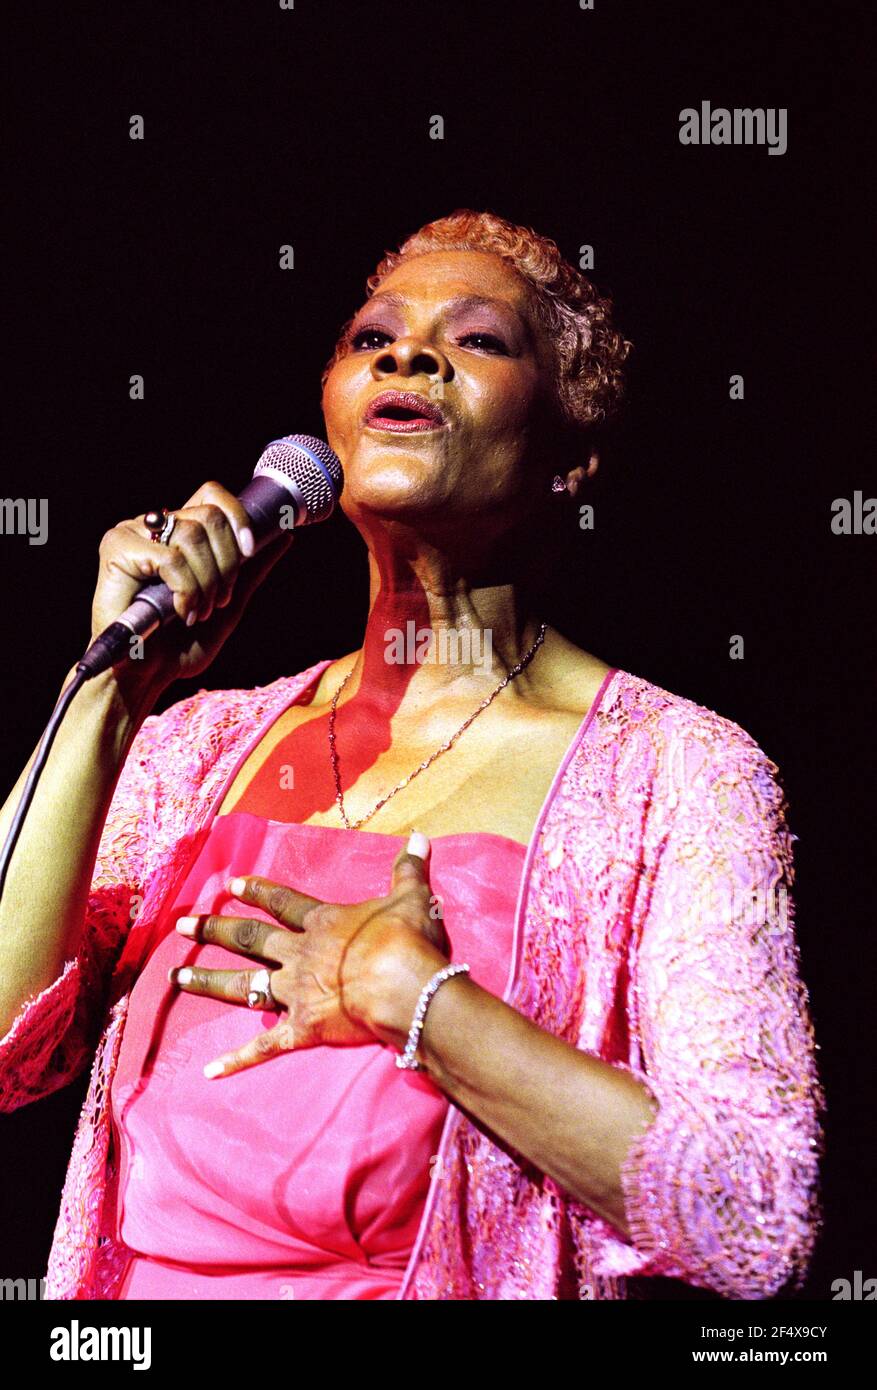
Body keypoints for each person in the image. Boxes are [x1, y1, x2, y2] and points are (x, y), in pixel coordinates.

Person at [0, 210, 824, 1300]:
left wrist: (422, 1001)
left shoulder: (675, 774)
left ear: (574, 449)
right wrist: (109, 694)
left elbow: (753, 1214)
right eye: (370, 338)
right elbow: (10, 1050)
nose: (407, 354)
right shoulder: (192, 750)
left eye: (478, 340)